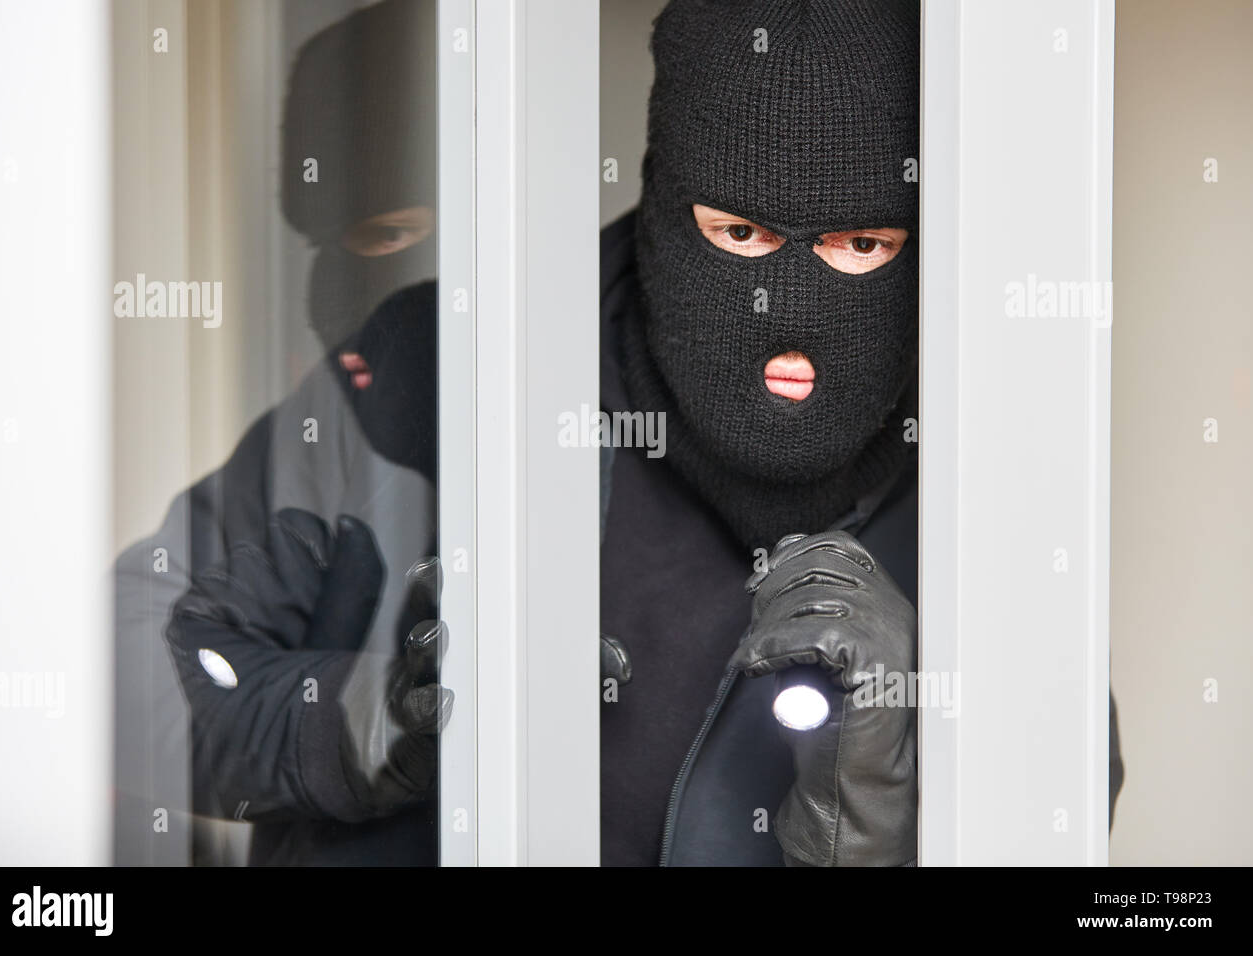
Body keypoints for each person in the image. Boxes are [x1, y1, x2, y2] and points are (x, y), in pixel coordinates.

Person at [118, 0, 1124, 867]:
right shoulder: (444, 366)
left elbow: (1057, 812)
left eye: (861, 245)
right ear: (663, 203)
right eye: (740, 234)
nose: (787, 297)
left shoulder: (986, 446)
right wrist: (368, 718)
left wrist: (881, 804)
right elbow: (126, 673)